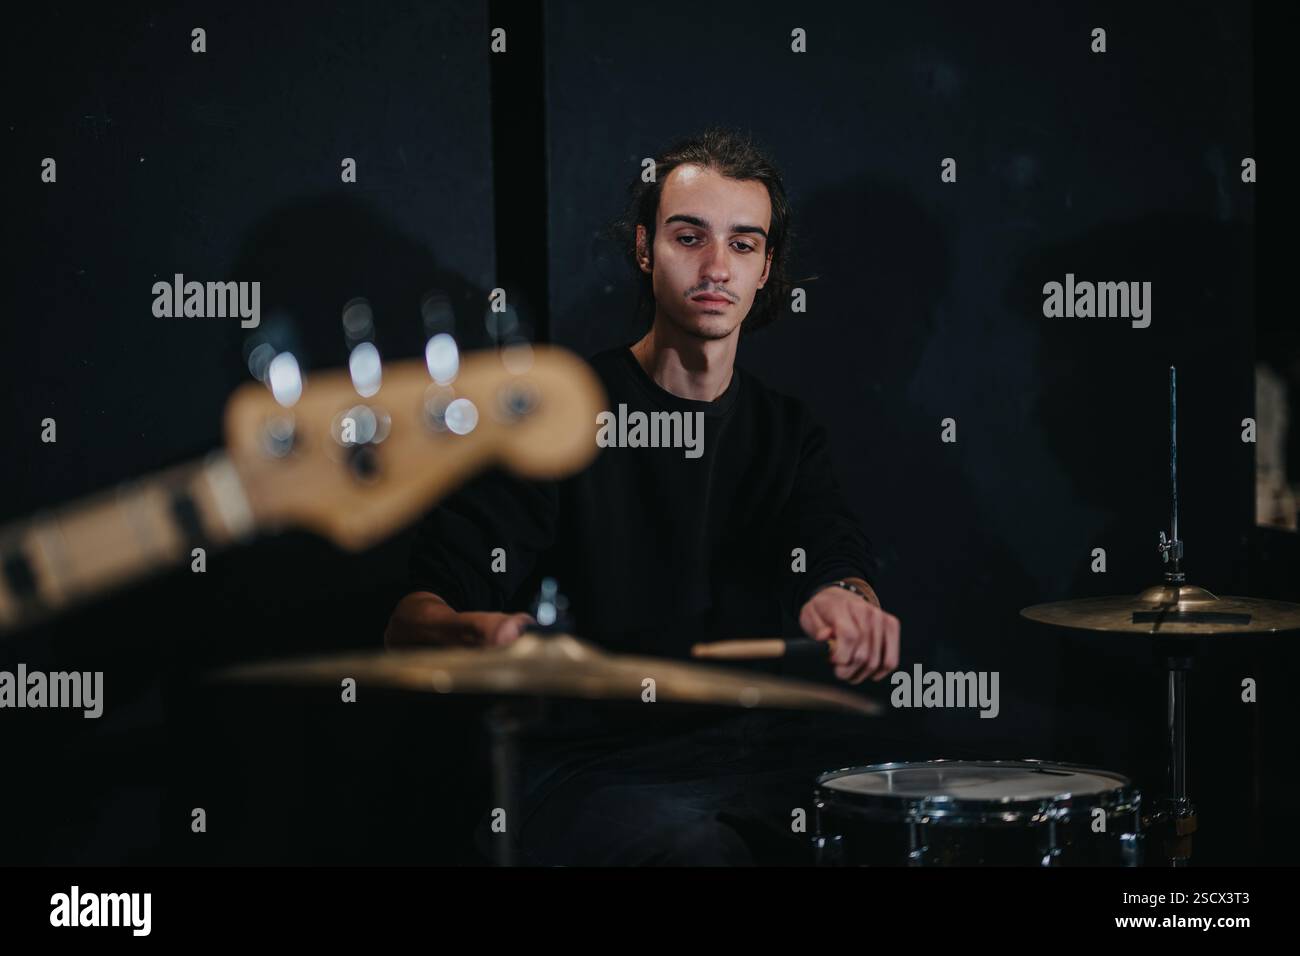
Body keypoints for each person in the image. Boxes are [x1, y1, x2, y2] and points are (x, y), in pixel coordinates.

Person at [385, 128, 902, 864]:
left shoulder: (788, 432)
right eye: (689, 236)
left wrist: (849, 597)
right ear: (641, 247)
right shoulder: (559, 420)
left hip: (756, 761)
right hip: (590, 772)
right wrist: (484, 637)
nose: (717, 266)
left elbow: (835, 550)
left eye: (745, 244)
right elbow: (411, 620)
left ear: (767, 270)